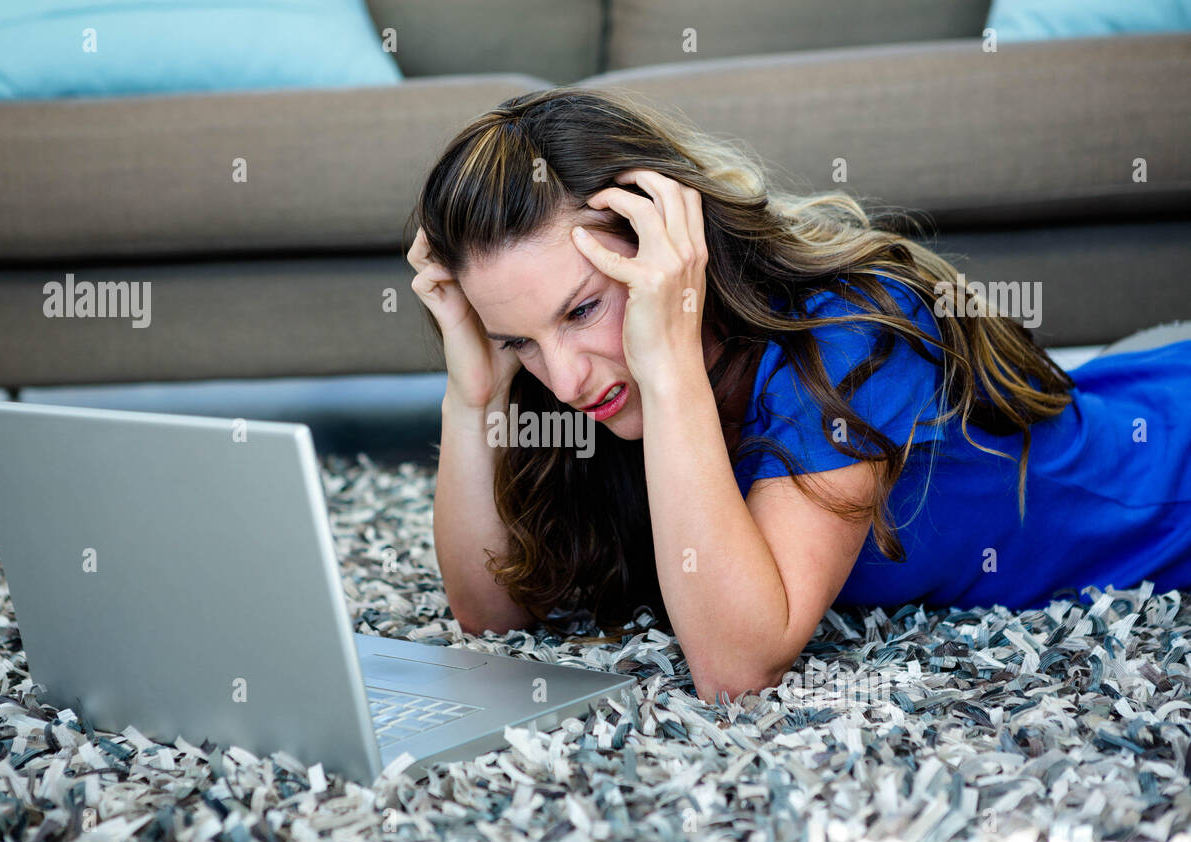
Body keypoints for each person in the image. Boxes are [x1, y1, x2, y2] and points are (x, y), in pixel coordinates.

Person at [404, 87, 1191, 705]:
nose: (566, 381)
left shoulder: (851, 335)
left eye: (582, 310)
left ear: (673, 247)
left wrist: (668, 354)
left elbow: (736, 667)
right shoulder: (585, 384)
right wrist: (473, 397)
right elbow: (489, 616)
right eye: (521, 342)